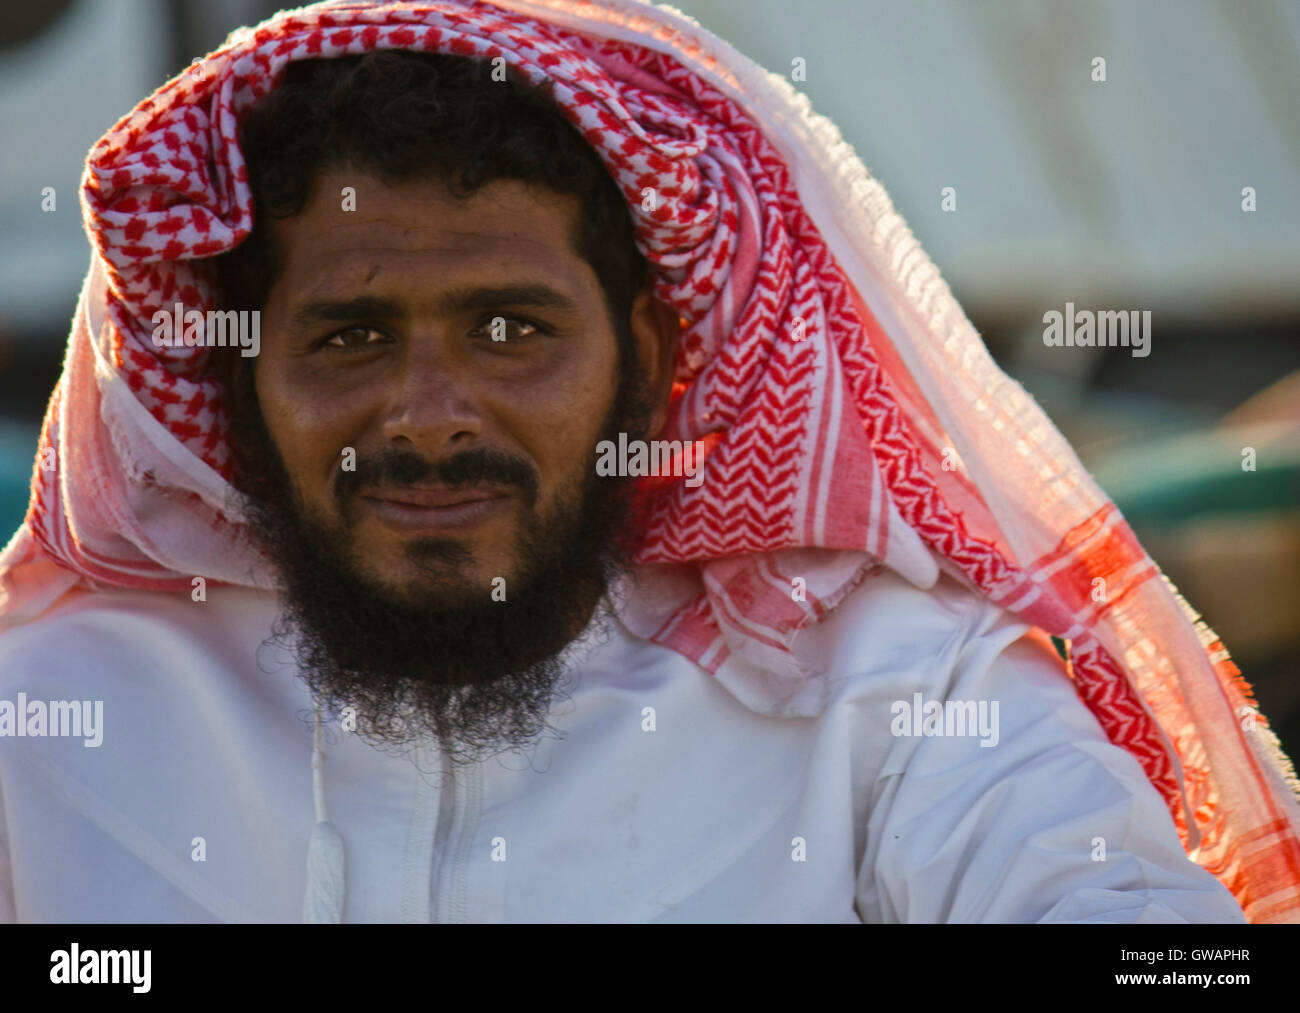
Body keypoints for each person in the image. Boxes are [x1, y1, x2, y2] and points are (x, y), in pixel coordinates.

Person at [0, 0, 1296, 923]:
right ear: (241, 367)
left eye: (512, 330)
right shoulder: (56, 713)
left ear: (650, 353)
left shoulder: (890, 693)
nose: (430, 414)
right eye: (350, 334)